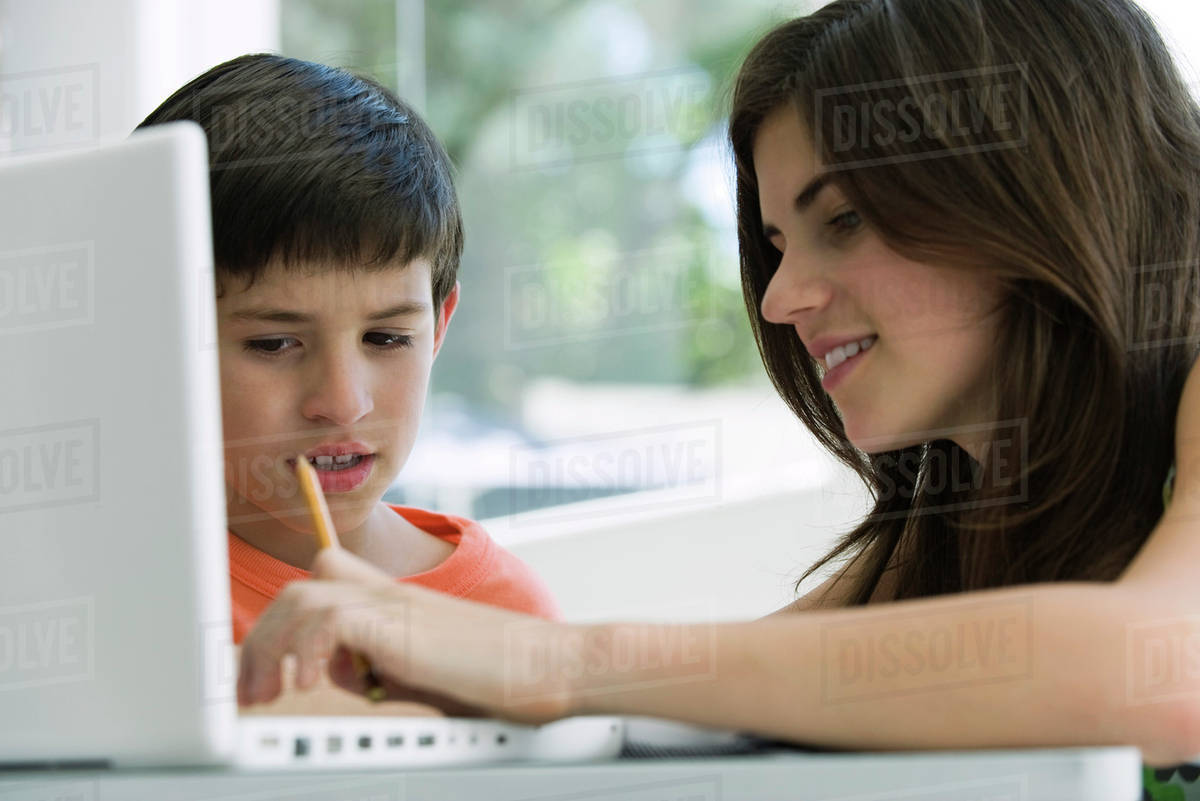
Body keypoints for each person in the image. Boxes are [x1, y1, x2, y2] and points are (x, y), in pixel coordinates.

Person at [236, 0, 1200, 789]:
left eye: (846, 219)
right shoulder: (953, 527)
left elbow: (1161, 670)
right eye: (778, 245)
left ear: (1032, 183)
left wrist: (555, 663)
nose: (780, 299)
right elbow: (701, 699)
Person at [137, 54, 561, 712]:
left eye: (388, 339)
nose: (342, 402)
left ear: (439, 325)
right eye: (274, 343)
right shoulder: (118, 591)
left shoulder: (503, 617)